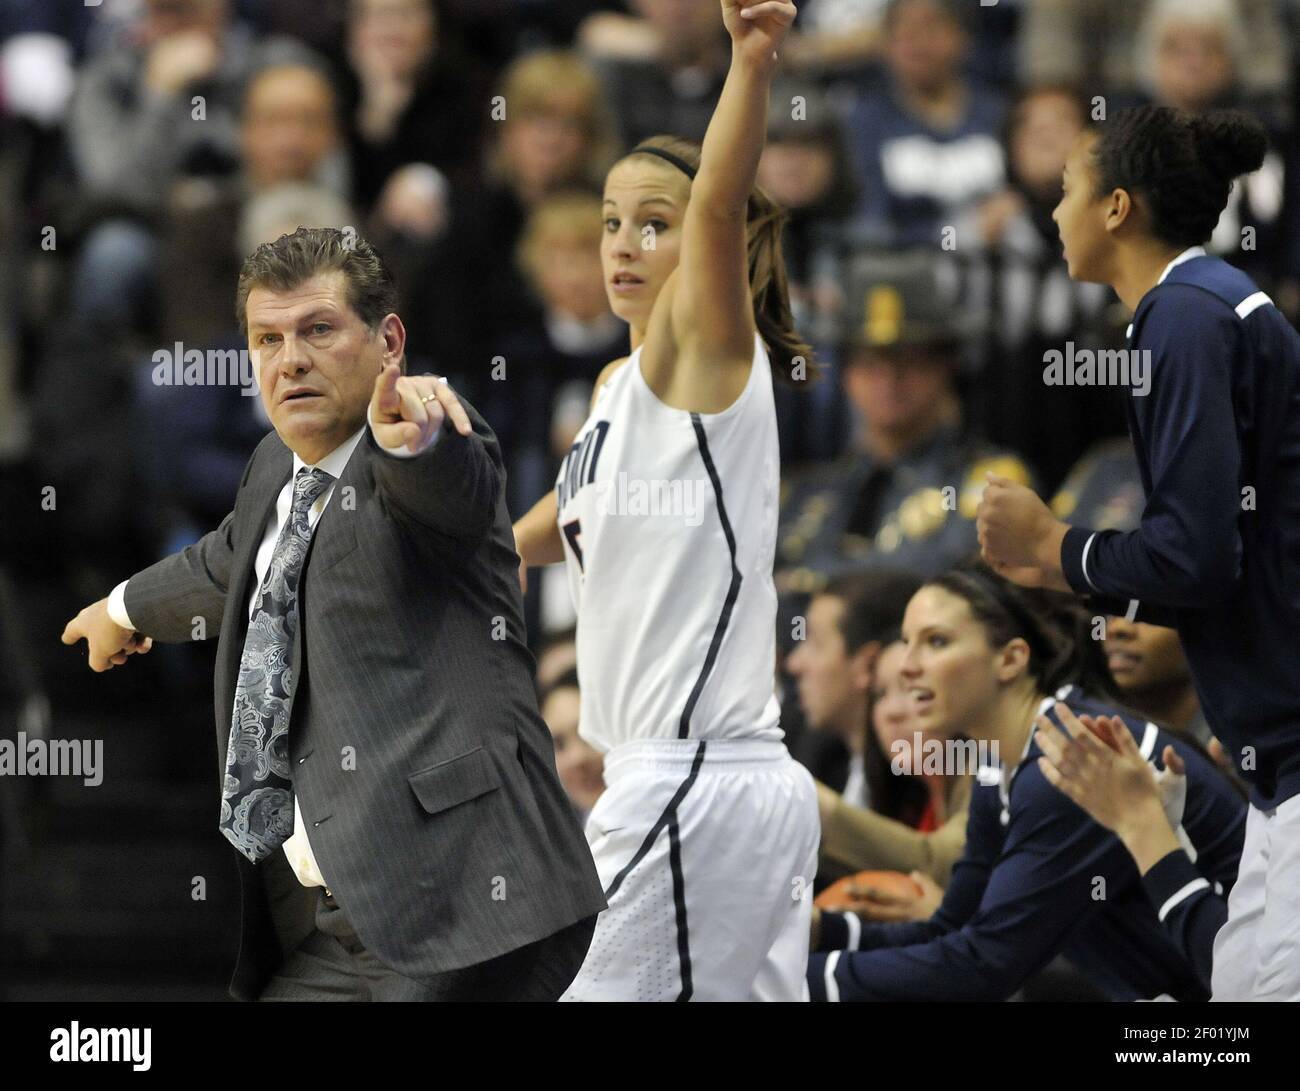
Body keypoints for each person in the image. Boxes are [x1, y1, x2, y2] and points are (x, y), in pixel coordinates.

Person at [60, 227, 606, 1001]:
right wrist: (121, 607)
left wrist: (414, 438)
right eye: (268, 339)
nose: (290, 360)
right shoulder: (273, 466)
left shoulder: (431, 440)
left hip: (466, 898)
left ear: (389, 342)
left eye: (318, 329)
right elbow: (229, 559)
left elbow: (449, 483)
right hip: (339, 921)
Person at [512, 0, 821, 1002]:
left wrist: (750, 61)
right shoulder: (616, 389)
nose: (624, 241)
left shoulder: (707, 354)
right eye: (610, 221)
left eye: (654, 223)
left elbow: (721, 204)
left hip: (692, 774)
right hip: (700, 780)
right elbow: (558, 521)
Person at [975, 105, 1300, 1000]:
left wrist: (1058, 545)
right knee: (1232, 995)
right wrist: (1065, 567)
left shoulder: (1184, 315)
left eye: (1067, 191)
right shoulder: (1204, 304)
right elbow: (1220, 560)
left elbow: (1195, 557)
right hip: (1277, 765)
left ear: (1116, 207)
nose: (1053, 213)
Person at [808, 563, 1245, 1002]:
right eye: (906, 643)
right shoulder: (998, 765)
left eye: (936, 641)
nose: (906, 667)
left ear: (1011, 659)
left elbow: (984, 966)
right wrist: (819, 931)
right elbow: (952, 927)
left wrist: (796, 978)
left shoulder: (1070, 754)